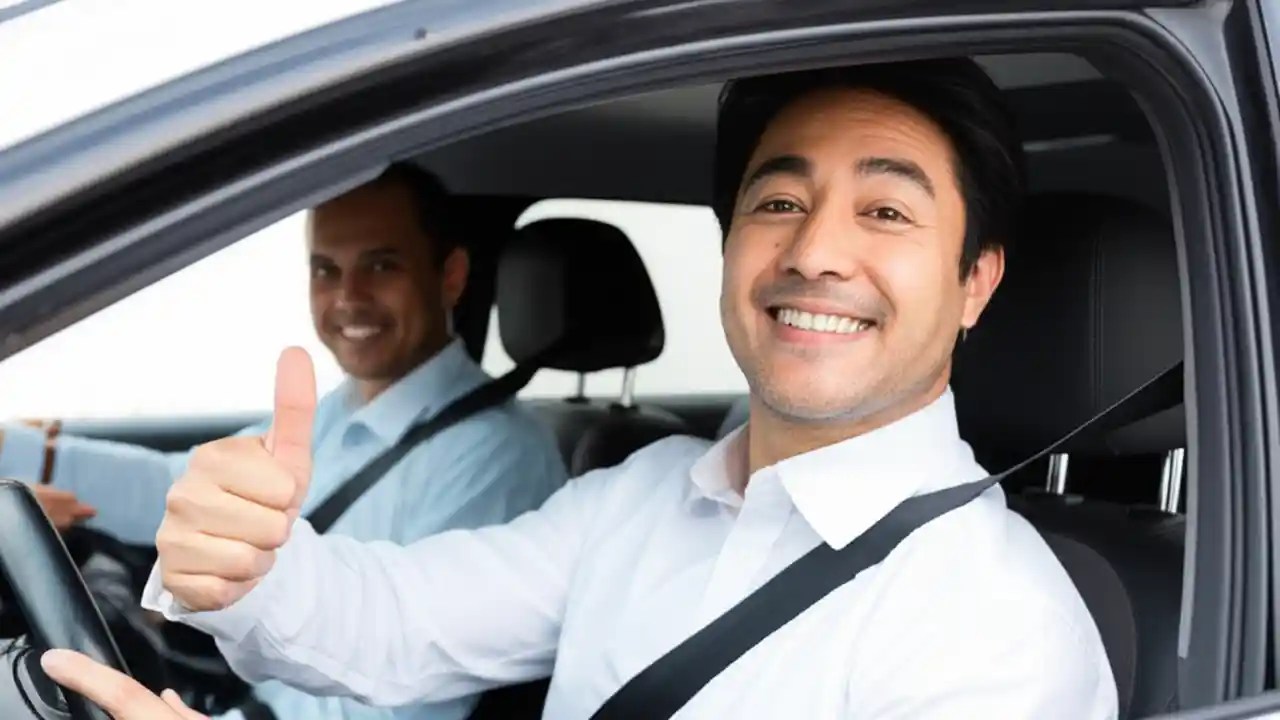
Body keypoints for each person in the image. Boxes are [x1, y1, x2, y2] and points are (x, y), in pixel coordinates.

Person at [43, 58, 1118, 719]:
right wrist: (245, 569)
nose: (815, 253)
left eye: (884, 212)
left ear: (975, 283)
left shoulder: (998, 634)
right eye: (777, 201)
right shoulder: (639, 497)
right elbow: (393, 623)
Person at [14, 165, 568, 720]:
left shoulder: (497, 457)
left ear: (449, 275)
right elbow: (177, 490)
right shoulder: (343, 408)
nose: (348, 296)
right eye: (326, 269)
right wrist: (29, 454)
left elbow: (415, 699)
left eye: (381, 265)